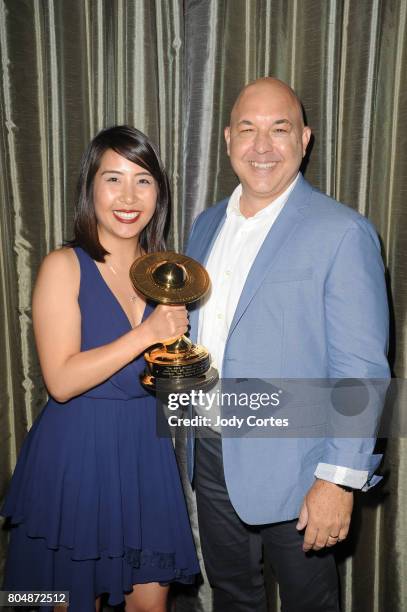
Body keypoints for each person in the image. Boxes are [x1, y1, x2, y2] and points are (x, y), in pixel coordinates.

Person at [186, 77, 390, 611]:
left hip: (301, 468)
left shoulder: (343, 232)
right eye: (248, 130)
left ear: (305, 139)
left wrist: (338, 481)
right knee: (232, 596)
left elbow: (362, 367)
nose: (262, 146)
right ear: (228, 138)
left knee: (308, 603)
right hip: (209, 452)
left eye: (279, 129)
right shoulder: (205, 226)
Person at [1, 125, 200, 611]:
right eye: (113, 179)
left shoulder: (165, 270)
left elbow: (165, 385)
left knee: (151, 605)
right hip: (77, 457)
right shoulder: (63, 265)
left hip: (143, 455)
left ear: (159, 192)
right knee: (66, 602)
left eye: (143, 180)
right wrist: (146, 335)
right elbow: (62, 381)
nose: (128, 196)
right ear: (90, 188)